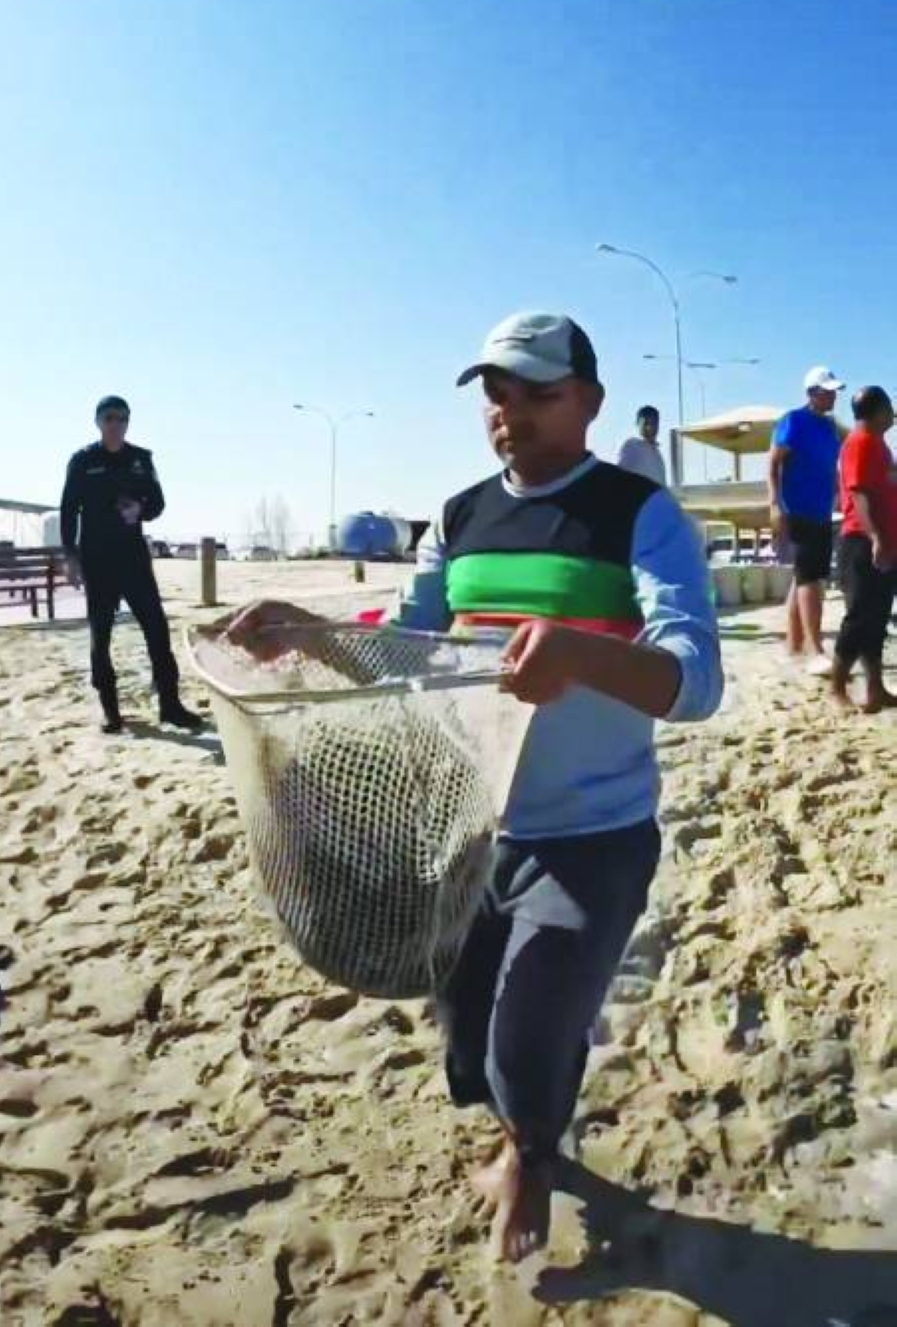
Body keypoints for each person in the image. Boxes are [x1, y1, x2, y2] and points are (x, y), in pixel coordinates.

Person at [225, 311, 723, 1263]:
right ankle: (523, 1119)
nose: (514, 414)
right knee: (465, 1041)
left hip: (595, 832)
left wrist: (579, 655)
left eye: (540, 393)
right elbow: (406, 649)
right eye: (498, 394)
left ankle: (532, 1154)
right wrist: (307, 629)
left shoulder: (637, 514)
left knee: (523, 1039)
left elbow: (694, 679)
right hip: (469, 827)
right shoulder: (457, 518)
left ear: (590, 401)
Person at [60, 395, 204, 734]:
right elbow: (68, 510)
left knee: (157, 629)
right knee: (102, 636)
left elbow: (158, 503)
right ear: (98, 422)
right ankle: (110, 710)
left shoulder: (140, 459)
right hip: (97, 560)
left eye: (122, 419)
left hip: (133, 559)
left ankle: (170, 705)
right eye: (109, 418)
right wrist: (70, 556)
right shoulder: (82, 461)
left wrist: (140, 509)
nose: (116, 425)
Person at [768, 365, 845, 674]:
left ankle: (794, 646)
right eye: (827, 391)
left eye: (834, 391)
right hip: (797, 509)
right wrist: (774, 503)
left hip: (822, 511)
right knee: (811, 580)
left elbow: (832, 467)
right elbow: (773, 463)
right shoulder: (794, 421)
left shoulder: (829, 428)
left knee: (805, 577)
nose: (833, 396)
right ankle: (815, 650)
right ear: (812, 392)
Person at [831, 386, 897, 714]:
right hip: (862, 541)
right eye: (889, 407)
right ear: (876, 411)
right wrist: (876, 538)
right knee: (858, 618)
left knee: (878, 617)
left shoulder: (880, 447)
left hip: (884, 542)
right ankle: (837, 688)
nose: (894, 413)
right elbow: (859, 496)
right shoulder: (859, 444)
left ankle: (875, 688)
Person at [617, 404, 667, 485]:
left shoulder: (657, 452)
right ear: (637, 423)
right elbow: (621, 477)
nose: (650, 427)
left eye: (654, 423)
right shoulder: (632, 446)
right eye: (646, 423)